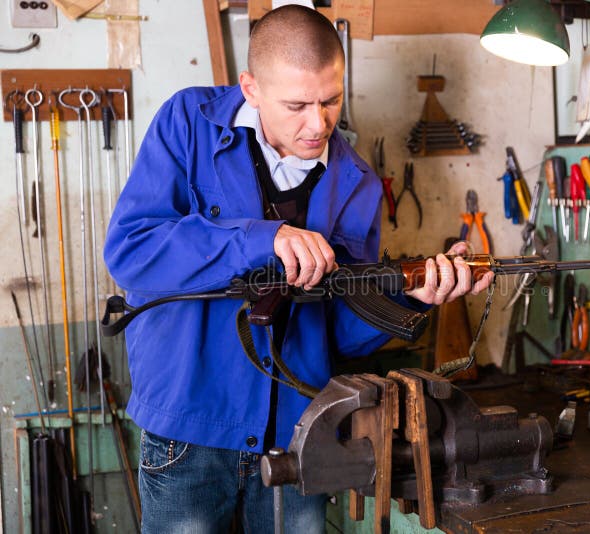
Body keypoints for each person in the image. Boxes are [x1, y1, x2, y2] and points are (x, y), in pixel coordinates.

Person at [104, 4, 492, 533]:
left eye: (331, 101)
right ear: (251, 88)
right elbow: (132, 249)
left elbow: (341, 333)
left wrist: (410, 296)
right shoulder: (188, 125)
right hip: (189, 434)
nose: (319, 124)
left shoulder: (355, 180)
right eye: (297, 104)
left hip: (300, 431)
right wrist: (263, 238)